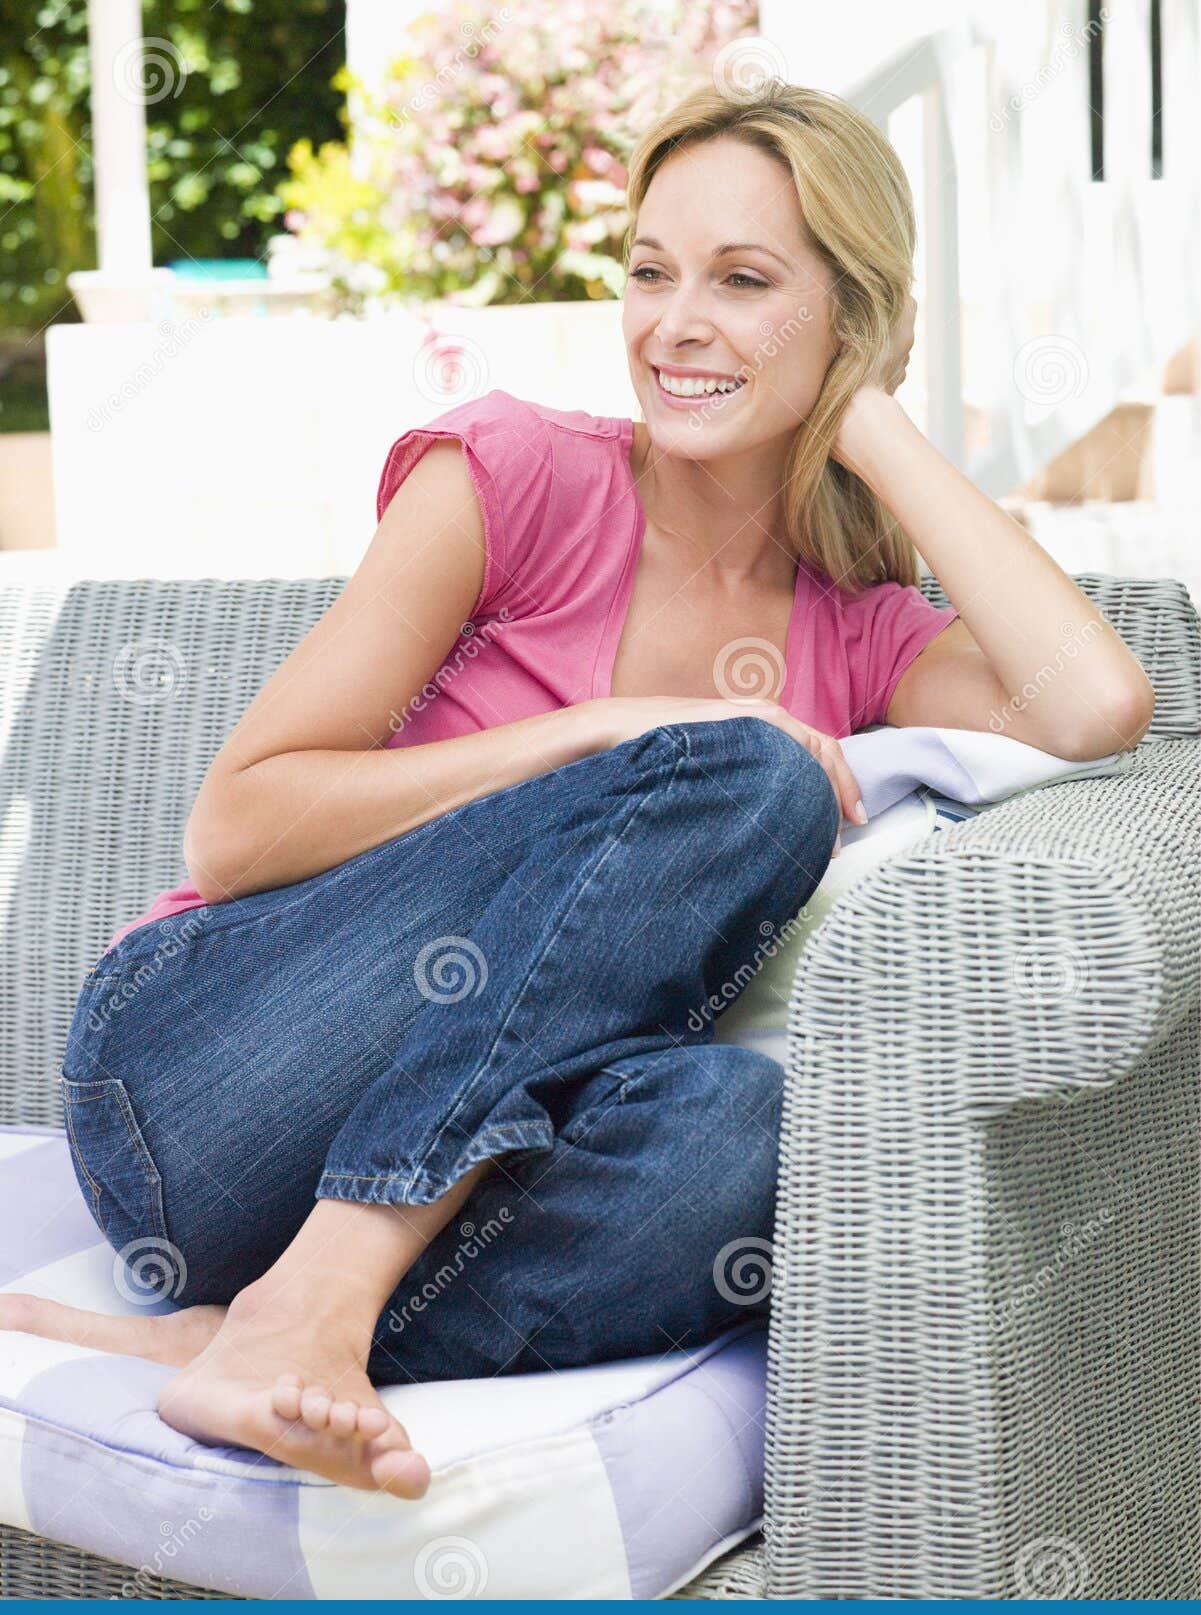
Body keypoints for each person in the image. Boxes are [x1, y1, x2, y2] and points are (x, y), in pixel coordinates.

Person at [0, 82, 1154, 1500]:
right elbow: (237, 827)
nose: (675, 325)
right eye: (651, 272)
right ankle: (316, 1293)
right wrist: (600, 733)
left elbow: (1096, 703)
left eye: (743, 282)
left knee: (754, 1130)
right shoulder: (513, 478)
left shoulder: (855, 629)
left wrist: (868, 418)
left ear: (850, 320)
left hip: (402, 1203)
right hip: (206, 1077)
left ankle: (265, 1321)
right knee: (755, 771)